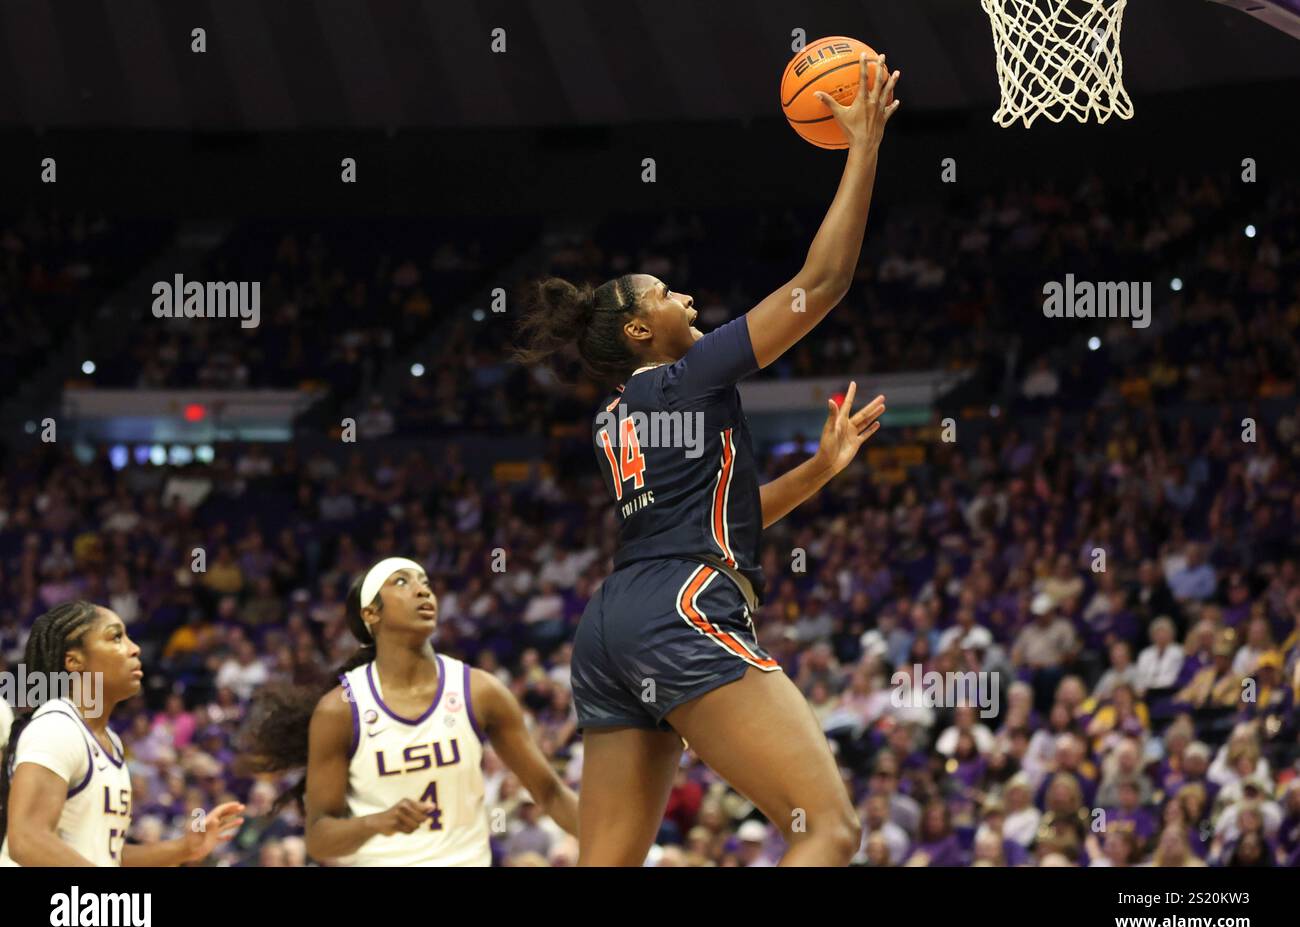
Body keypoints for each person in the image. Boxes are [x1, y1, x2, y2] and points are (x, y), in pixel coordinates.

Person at [515, 54, 900, 867]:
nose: (686, 298)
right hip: (681, 606)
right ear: (638, 333)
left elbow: (725, 512)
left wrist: (822, 472)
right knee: (827, 828)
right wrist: (862, 146)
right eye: (666, 294)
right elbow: (822, 283)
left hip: (611, 623)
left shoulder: (614, 416)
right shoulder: (687, 377)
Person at [242, 558, 578, 866]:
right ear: (370, 614)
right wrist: (376, 822)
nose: (422, 590)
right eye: (401, 582)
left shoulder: (480, 691)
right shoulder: (340, 710)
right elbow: (319, 839)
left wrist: (626, 844)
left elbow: (550, 793)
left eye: (425, 582)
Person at [0, 601, 244, 866]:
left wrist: (183, 849)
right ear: (74, 660)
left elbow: (106, 856)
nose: (134, 648)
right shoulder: (56, 727)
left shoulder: (110, 741)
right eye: (116, 637)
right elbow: (27, 840)